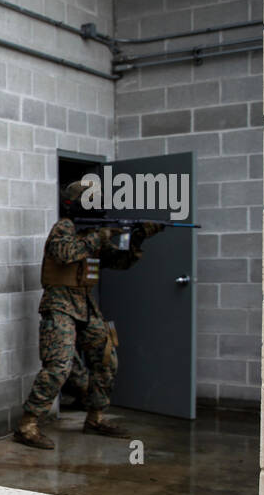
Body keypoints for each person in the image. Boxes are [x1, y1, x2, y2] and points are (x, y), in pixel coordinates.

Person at [12, 180, 164, 450]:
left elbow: (120, 262)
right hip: (59, 304)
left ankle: (96, 418)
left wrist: (138, 238)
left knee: (107, 359)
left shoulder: (94, 232)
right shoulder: (65, 228)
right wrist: (101, 235)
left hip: (84, 304)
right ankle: (28, 425)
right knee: (58, 367)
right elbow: (64, 253)